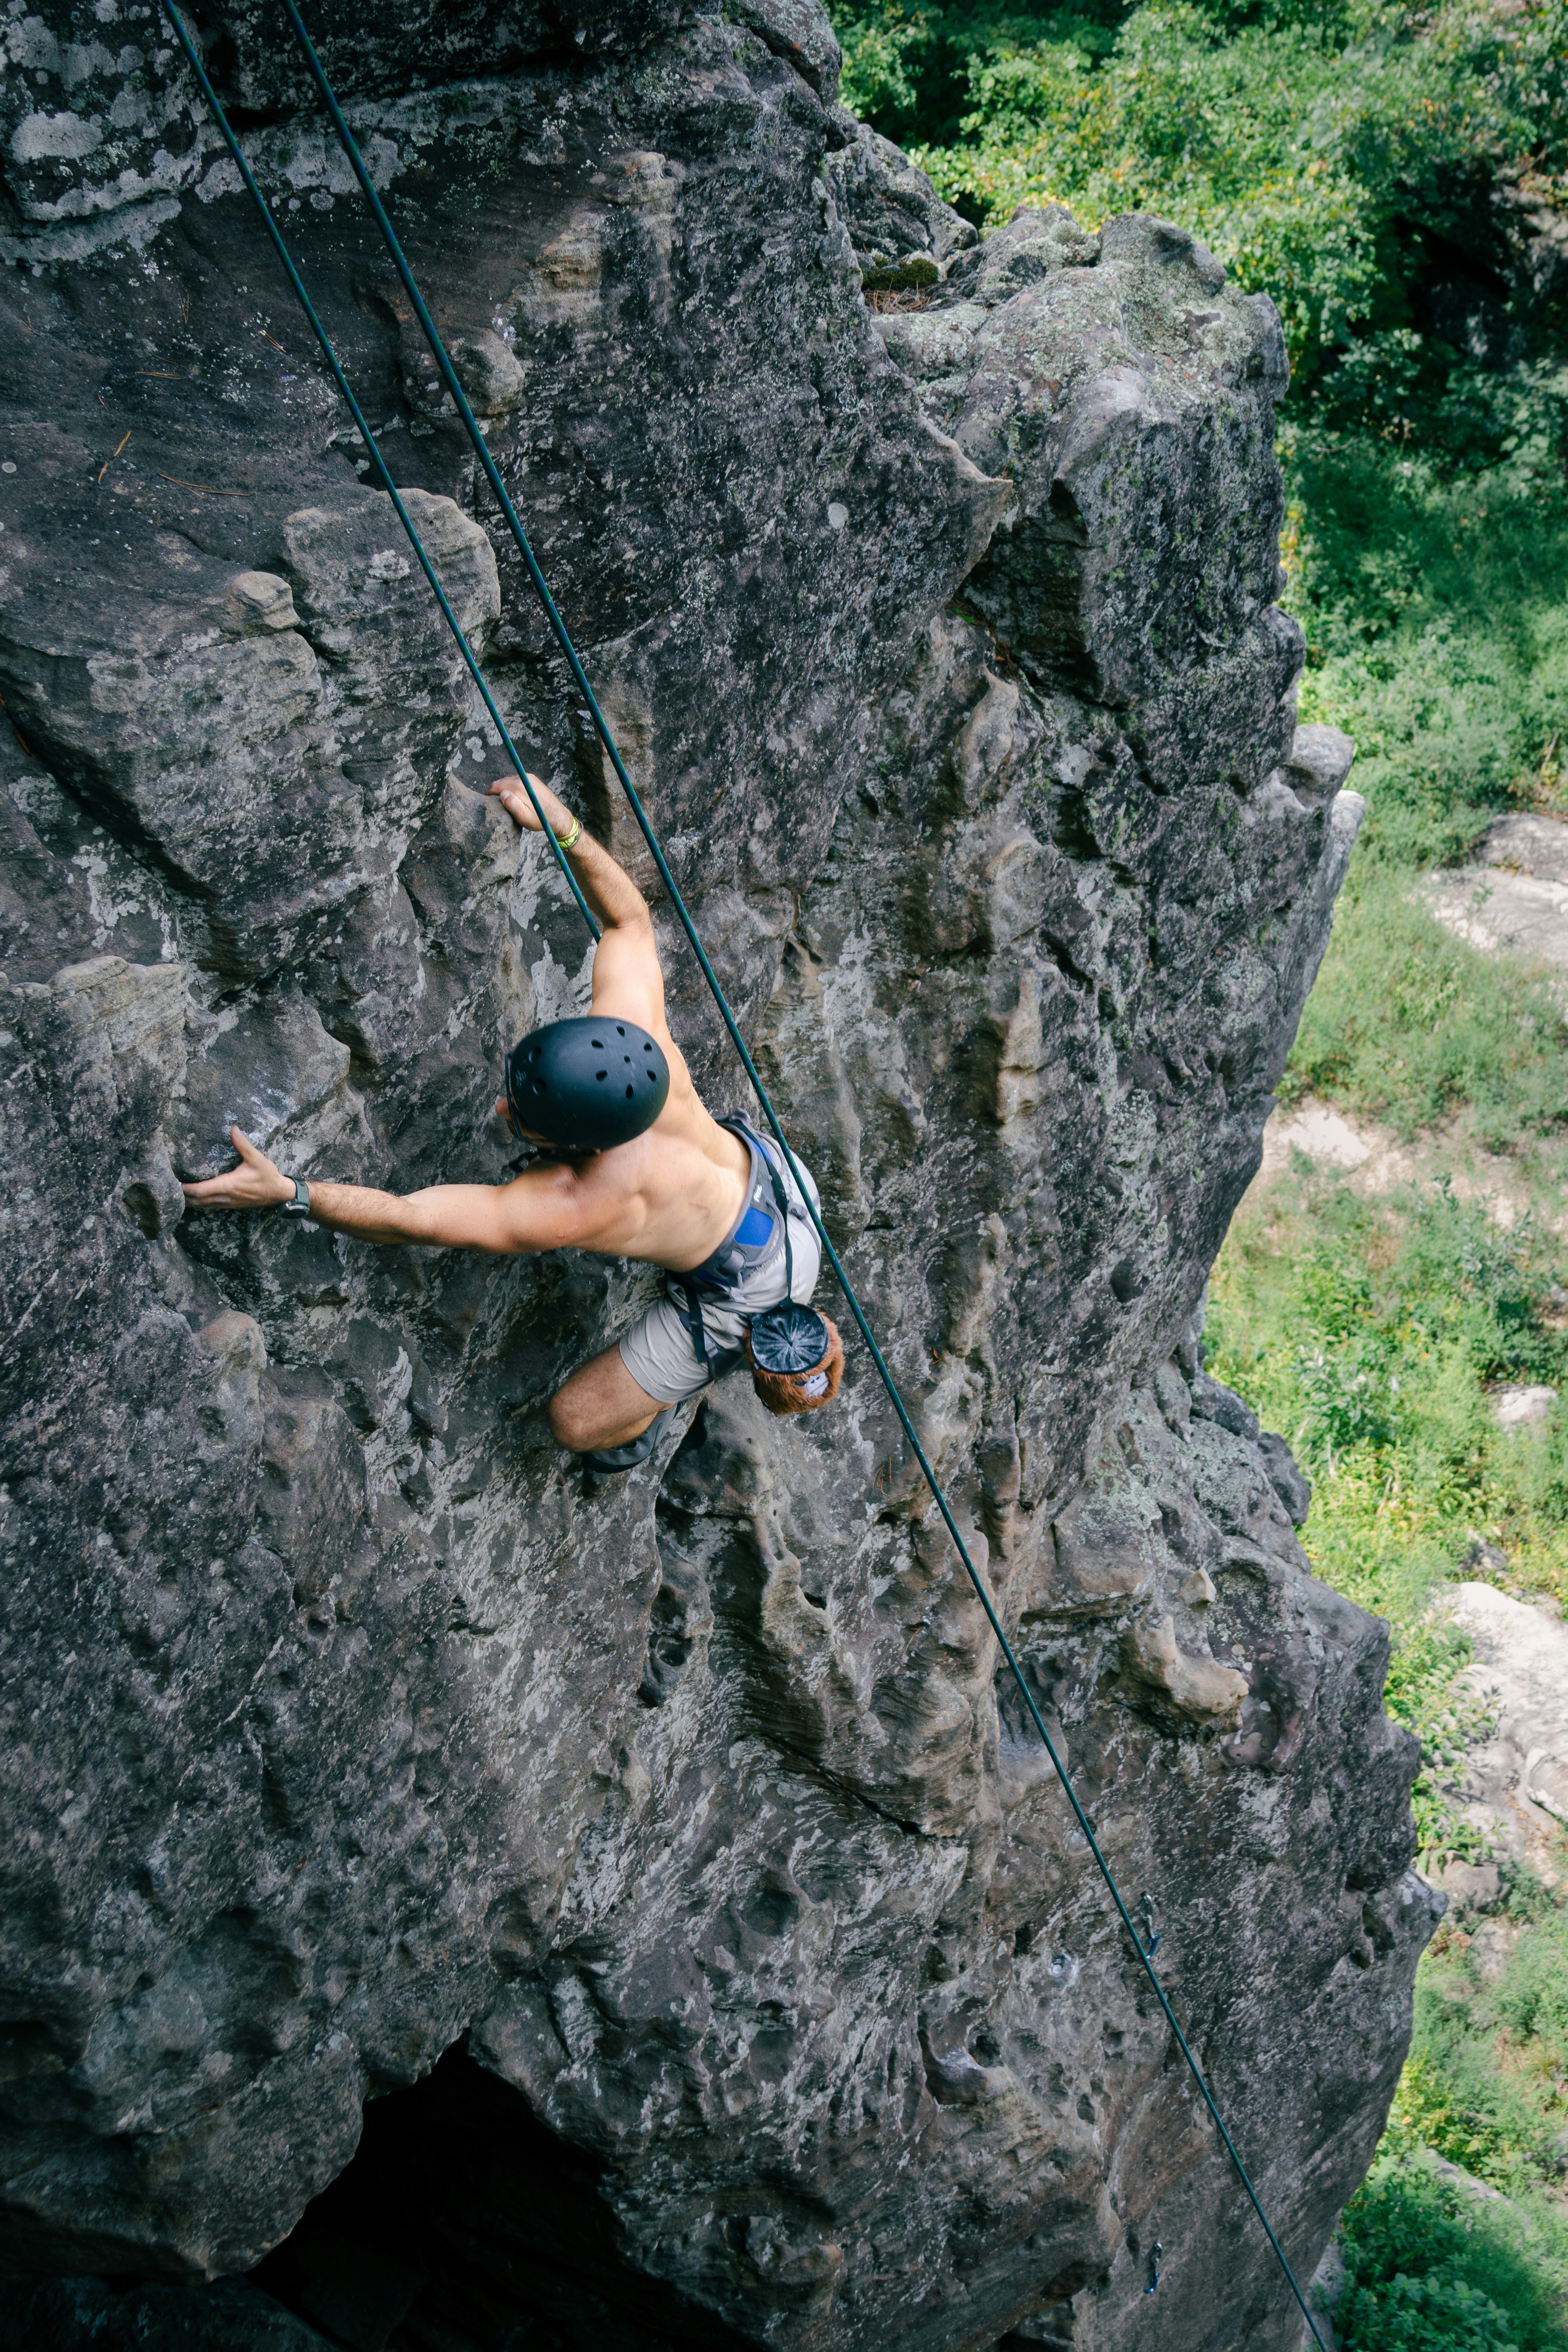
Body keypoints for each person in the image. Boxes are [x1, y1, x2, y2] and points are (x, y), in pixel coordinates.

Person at [180, 772, 830, 1470]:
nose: (499, 1110)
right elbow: (629, 922)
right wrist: (560, 820)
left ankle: (700, 1385)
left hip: (747, 1290)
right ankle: (787, 1315)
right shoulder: (640, 1041)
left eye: (524, 1122)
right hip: (783, 1187)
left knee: (577, 1423)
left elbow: (411, 1219)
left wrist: (289, 1193)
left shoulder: (579, 1206)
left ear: (579, 1146)